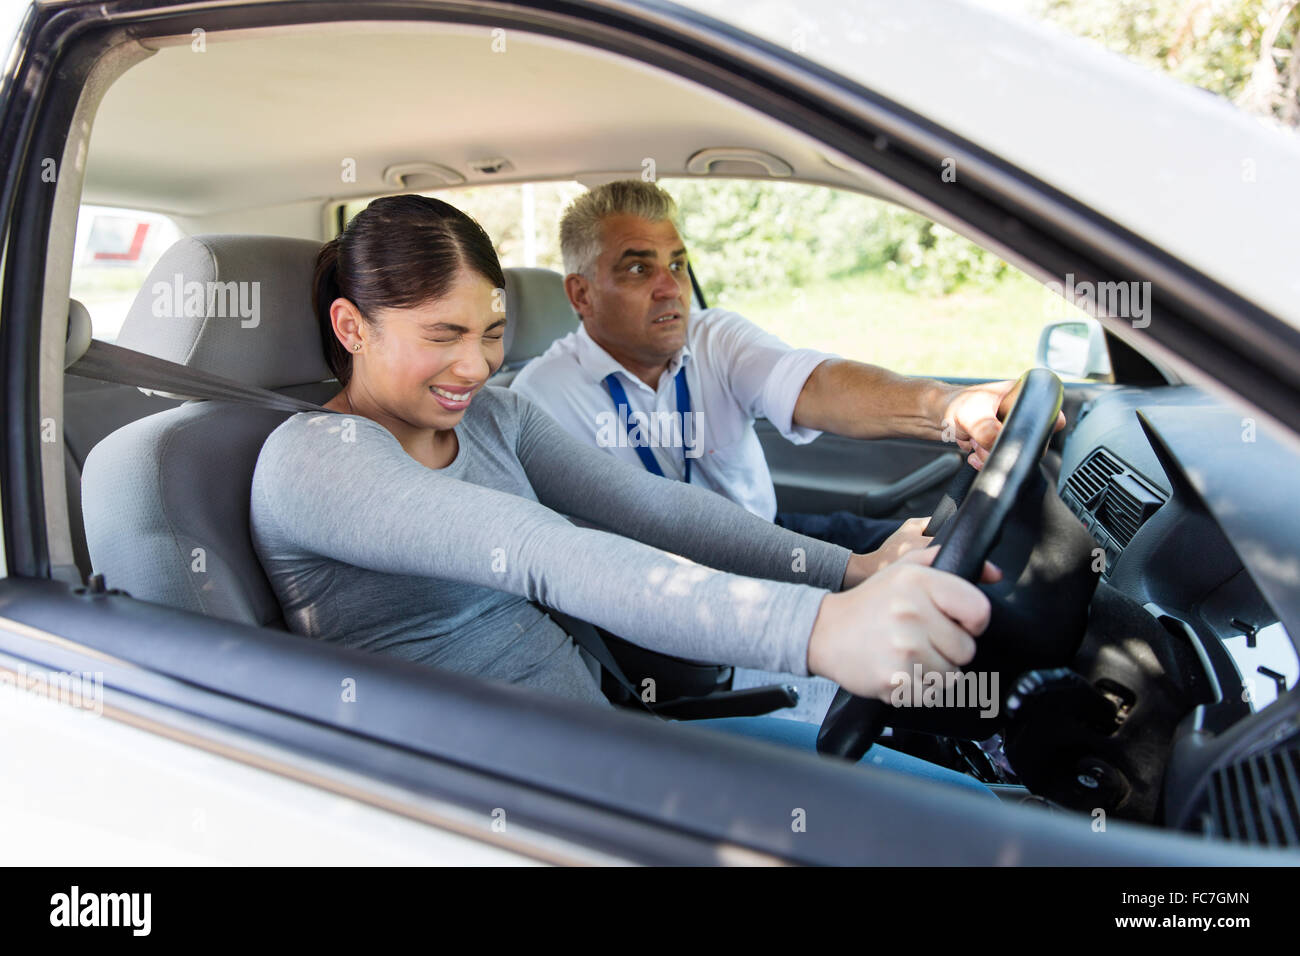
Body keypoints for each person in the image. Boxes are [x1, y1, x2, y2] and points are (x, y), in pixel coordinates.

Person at [249, 195, 1001, 797]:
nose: (475, 366)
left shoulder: (496, 418)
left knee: (956, 810)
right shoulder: (315, 459)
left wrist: (851, 570)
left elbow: (651, 509)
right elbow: (543, 550)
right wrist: (821, 630)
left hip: (602, 739)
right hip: (474, 794)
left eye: (492, 332)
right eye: (443, 335)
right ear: (351, 327)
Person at [511, 180, 1063, 554]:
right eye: (638, 268)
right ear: (581, 295)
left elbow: (815, 383)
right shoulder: (540, 400)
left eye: (678, 264)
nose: (670, 288)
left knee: (969, 549)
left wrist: (947, 406)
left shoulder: (713, 336)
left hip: (769, 542)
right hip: (662, 591)